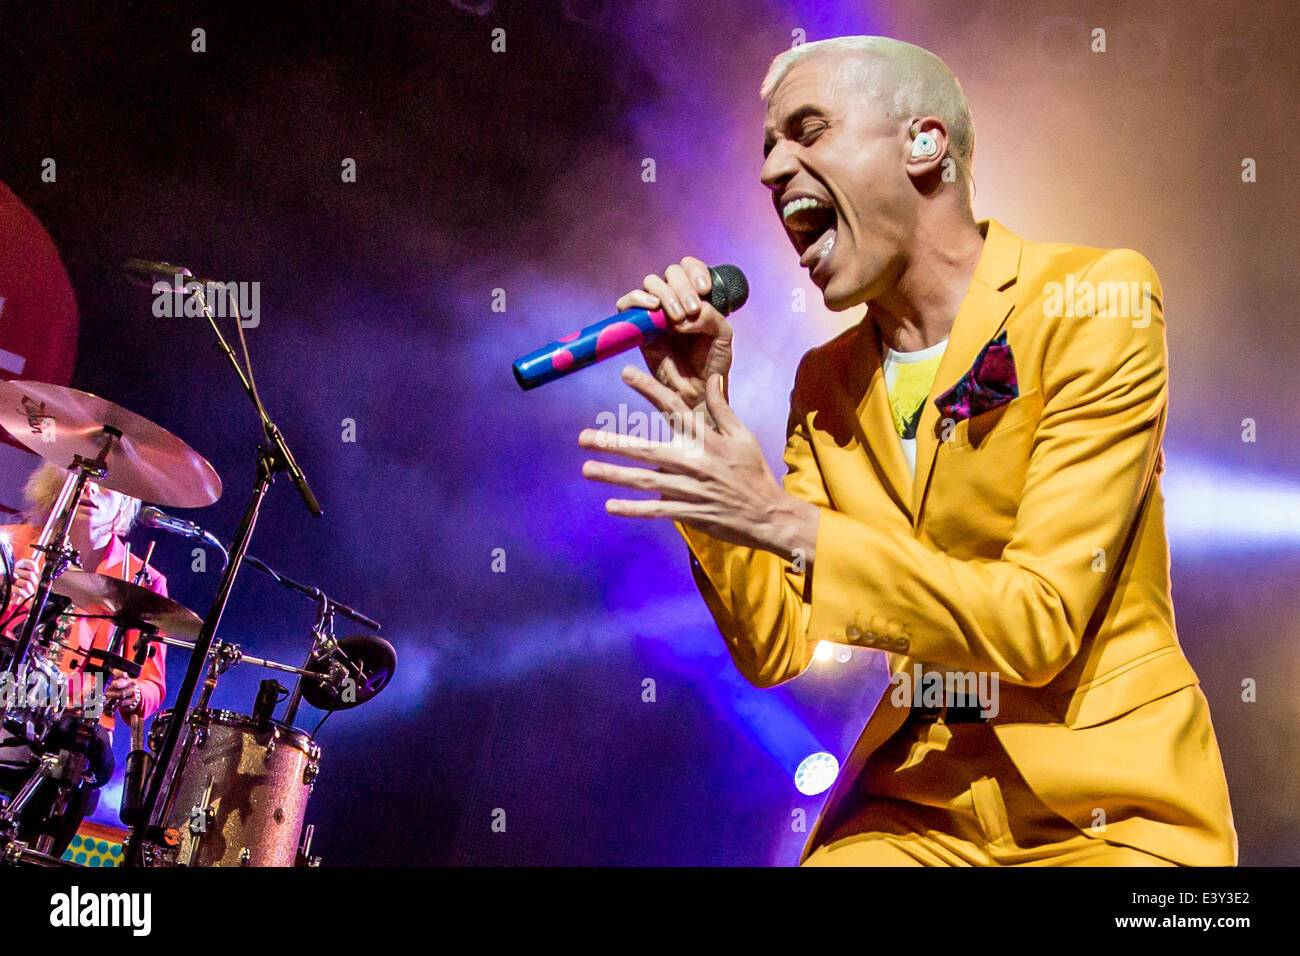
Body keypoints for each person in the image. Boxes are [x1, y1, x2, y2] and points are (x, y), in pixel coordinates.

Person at [578, 36, 1236, 866]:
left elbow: (1037, 626)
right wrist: (702, 423)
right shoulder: (826, 381)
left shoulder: (1092, 302)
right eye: (768, 148)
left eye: (806, 131)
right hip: (913, 819)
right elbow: (774, 645)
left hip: (1109, 819)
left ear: (924, 144)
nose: (772, 170)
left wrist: (788, 523)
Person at [0, 461, 168, 854]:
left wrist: (136, 692)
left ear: (125, 505)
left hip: (80, 728)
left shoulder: (143, 579)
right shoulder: (9, 544)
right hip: (10, 702)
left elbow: (152, 682)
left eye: (105, 486)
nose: (91, 491)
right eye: (82, 481)